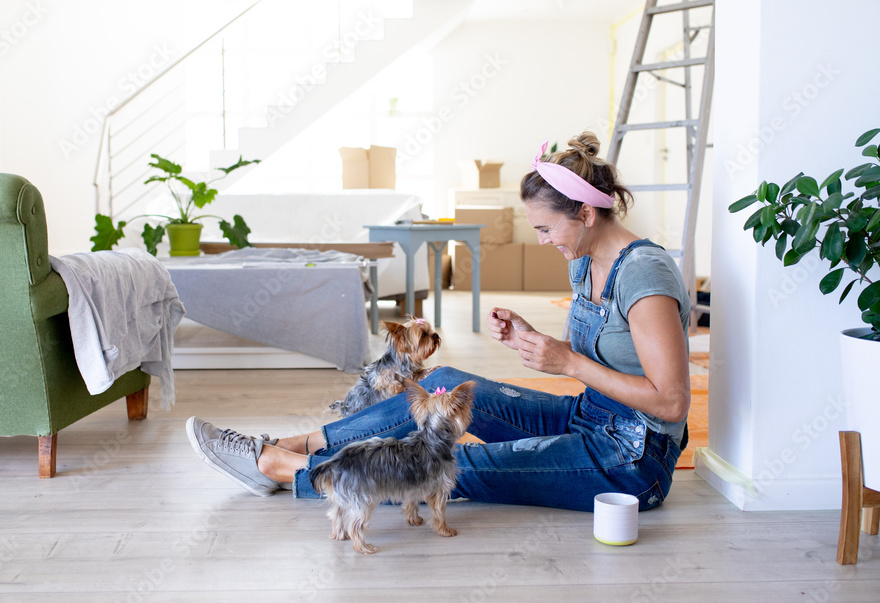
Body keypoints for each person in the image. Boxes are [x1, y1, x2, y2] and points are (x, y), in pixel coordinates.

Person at [186, 131, 691, 512]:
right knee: (445, 386)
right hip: (587, 416)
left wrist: (569, 362)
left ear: (583, 213)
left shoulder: (643, 274)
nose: (541, 240)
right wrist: (534, 341)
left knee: (445, 464)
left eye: (545, 228)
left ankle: (287, 468)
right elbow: (609, 355)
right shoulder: (584, 259)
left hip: (631, 458)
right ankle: (296, 443)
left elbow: (670, 401)